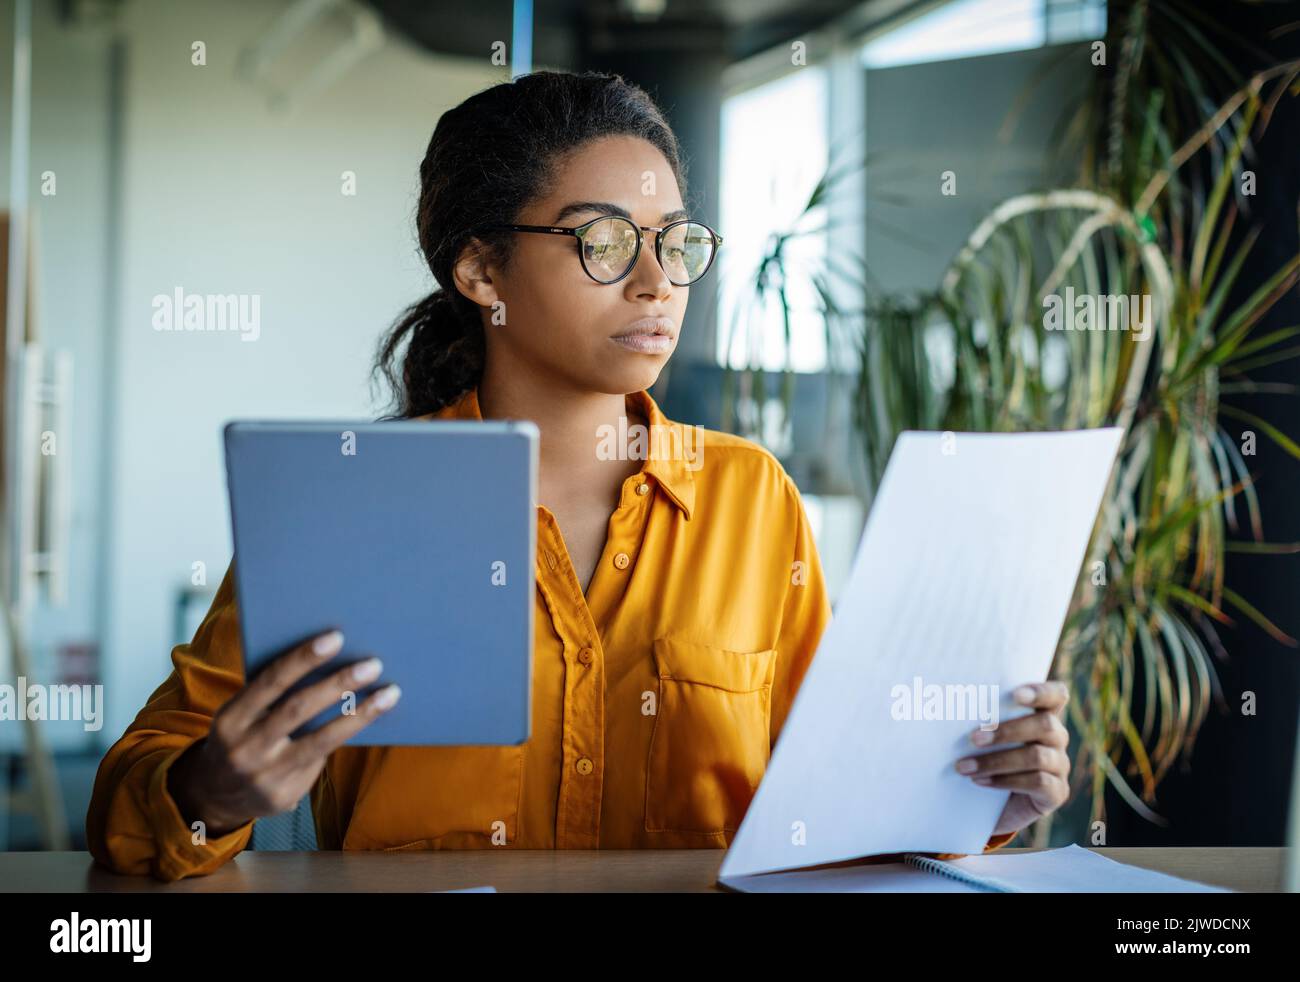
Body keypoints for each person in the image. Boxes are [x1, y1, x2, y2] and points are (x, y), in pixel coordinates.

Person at [86, 70, 1071, 882]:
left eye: (674, 243)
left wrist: (979, 798)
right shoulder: (350, 502)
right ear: (480, 271)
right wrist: (209, 791)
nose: (656, 282)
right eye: (601, 243)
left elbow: (834, 809)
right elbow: (130, 803)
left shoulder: (749, 499)